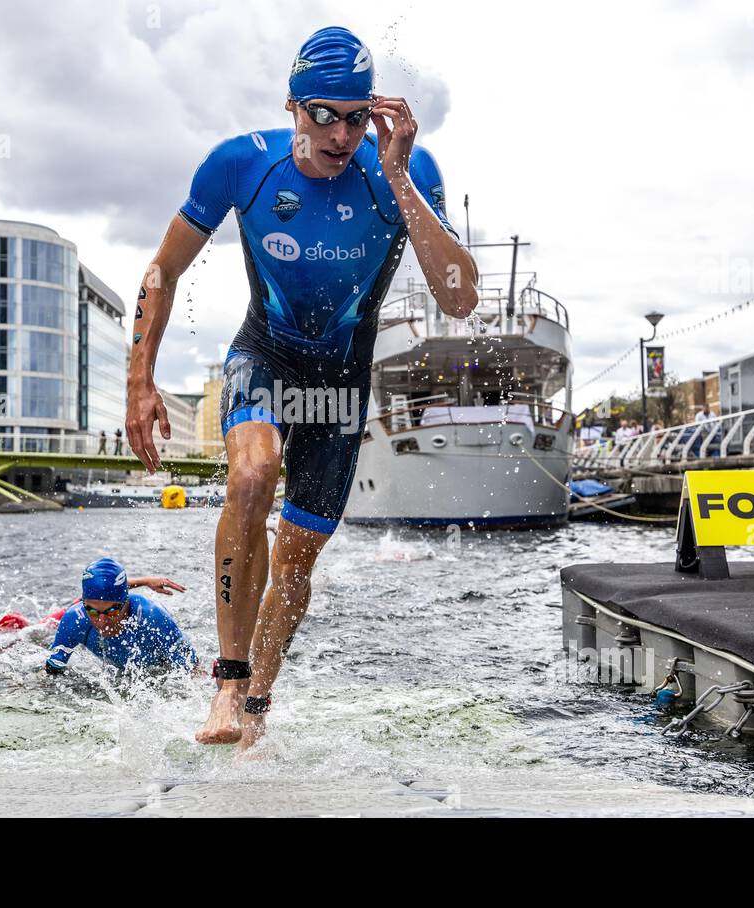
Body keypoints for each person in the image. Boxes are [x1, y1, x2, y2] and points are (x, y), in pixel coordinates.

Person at [125, 26, 477, 751]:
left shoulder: (400, 171)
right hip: (266, 354)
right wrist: (141, 381)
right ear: (292, 105)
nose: (341, 134)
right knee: (251, 475)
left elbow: (460, 298)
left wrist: (404, 178)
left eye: (356, 116)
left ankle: (257, 699)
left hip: (342, 381)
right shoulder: (241, 166)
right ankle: (226, 681)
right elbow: (161, 271)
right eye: (323, 113)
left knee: (295, 559)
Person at [35, 557, 200, 674]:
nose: (102, 621)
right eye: (92, 611)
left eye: (112, 611)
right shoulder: (75, 618)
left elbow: (193, 670)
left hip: (159, 667)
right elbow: (52, 669)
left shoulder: (152, 617)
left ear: (125, 602)